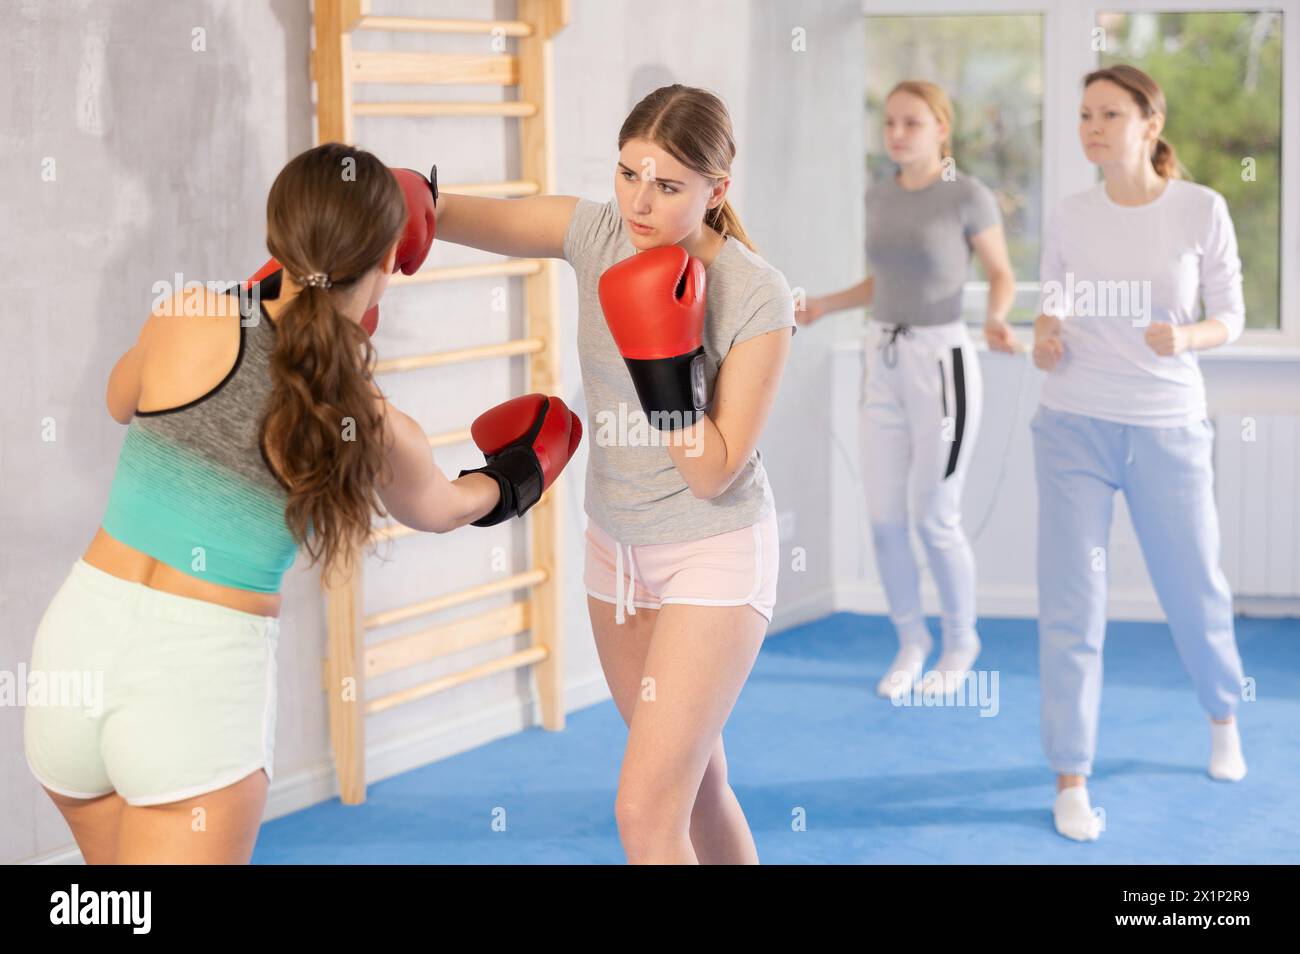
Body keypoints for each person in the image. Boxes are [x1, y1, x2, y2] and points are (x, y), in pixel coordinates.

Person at [22, 143, 580, 863]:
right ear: (389, 260)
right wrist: (516, 474)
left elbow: (117, 400)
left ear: (276, 237)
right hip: (193, 681)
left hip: (78, 642)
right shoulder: (367, 419)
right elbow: (443, 507)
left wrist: (246, 308)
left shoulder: (188, 315)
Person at [433, 84, 795, 863]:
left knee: (643, 812)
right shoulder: (598, 232)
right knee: (695, 790)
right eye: (628, 173)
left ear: (716, 190)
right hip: (616, 553)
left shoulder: (757, 292)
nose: (640, 201)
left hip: (714, 550)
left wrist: (663, 367)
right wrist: (391, 196)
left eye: (667, 186)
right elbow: (464, 217)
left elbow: (712, 472)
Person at [1031, 65, 1248, 842]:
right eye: (1085, 113)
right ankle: (1071, 775)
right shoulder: (1069, 213)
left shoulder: (1201, 209)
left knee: (1195, 589)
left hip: (1167, 426)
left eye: (1110, 113)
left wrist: (1185, 335)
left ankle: (1223, 715)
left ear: (1150, 124)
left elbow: (1232, 314)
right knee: (1070, 606)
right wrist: (1045, 334)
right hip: (1072, 425)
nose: (1092, 126)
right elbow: (1050, 299)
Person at [801, 80, 1017, 698]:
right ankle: (911, 641)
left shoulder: (967, 196)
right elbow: (884, 280)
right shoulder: (878, 197)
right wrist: (825, 305)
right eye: (891, 122)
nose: (897, 133)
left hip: (940, 362)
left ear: (941, 128)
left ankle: (959, 642)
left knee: (934, 518)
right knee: (884, 519)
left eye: (912, 123)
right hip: (883, 357)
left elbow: (1001, 274)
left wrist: (998, 319)